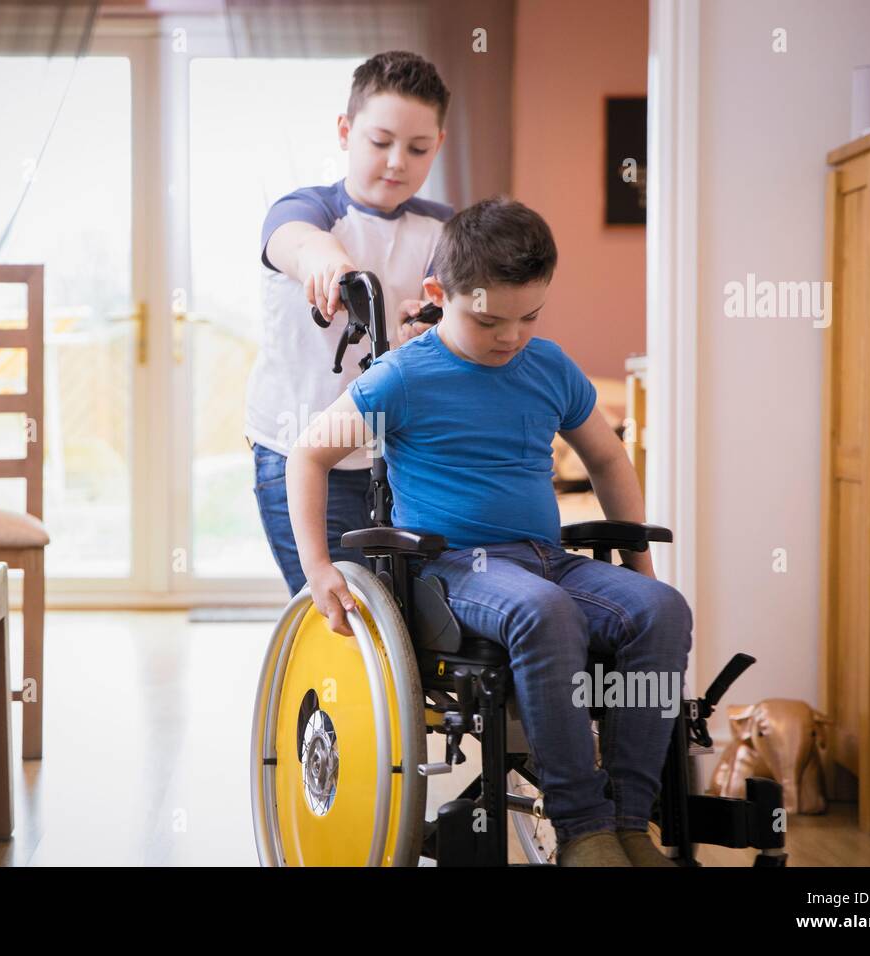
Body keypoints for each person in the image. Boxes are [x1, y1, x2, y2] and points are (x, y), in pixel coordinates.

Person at [285, 197, 693, 867]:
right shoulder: (405, 379)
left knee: (661, 610)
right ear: (438, 294)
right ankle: (583, 829)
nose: (509, 337)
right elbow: (310, 453)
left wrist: (637, 570)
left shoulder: (548, 366)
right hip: (451, 572)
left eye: (528, 317)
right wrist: (318, 566)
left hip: (546, 559)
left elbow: (608, 458)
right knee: (544, 611)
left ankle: (627, 825)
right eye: (488, 320)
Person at [248, 50, 453, 595]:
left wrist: (429, 324)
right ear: (345, 131)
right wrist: (331, 267)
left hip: (395, 455)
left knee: (402, 619)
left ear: (440, 144)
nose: (396, 162)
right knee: (337, 610)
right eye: (379, 142)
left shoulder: (444, 230)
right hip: (300, 452)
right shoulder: (305, 208)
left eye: (417, 148)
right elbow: (300, 244)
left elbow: (451, 308)